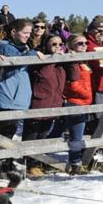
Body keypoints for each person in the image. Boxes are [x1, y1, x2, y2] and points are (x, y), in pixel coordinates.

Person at [0, 18, 35, 176]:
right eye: (25, 32)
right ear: (13, 32)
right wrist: (34, 53)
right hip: (5, 96)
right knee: (4, 133)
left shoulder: (23, 47)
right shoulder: (4, 47)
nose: (28, 35)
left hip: (15, 97)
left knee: (9, 132)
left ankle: (5, 163)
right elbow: (18, 63)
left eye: (30, 33)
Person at [22, 33, 65, 177]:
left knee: (43, 135)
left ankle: (38, 162)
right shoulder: (40, 59)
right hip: (39, 102)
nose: (58, 47)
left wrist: (69, 60)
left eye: (60, 44)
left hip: (54, 103)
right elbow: (45, 75)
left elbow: (73, 76)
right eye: (54, 44)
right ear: (46, 45)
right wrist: (52, 59)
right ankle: (29, 164)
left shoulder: (60, 61)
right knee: (32, 135)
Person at [62, 35, 95, 175]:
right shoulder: (72, 61)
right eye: (79, 43)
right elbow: (72, 83)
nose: (84, 45)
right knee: (76, 136)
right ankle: (75, 165)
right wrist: (86, 93)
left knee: (74, 134)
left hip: (83, 102)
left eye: (85, 42)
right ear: (70, 46)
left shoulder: (84, 60)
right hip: (75, 102)